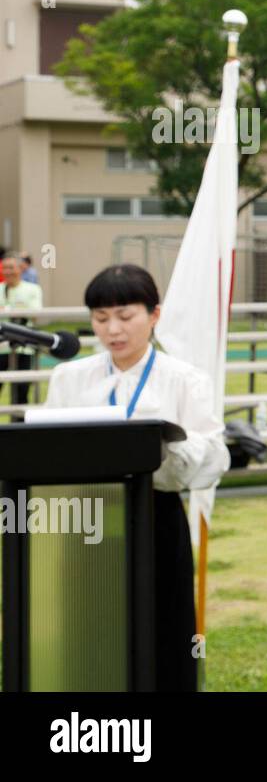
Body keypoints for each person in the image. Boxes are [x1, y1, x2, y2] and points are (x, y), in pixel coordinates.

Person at [44, 263, 230, 691]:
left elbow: (214, 456)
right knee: (89, 629)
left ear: (154, 315)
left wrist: (164, 445)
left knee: (164, 627)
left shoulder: (184, 379)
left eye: (125, 316)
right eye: (100, 318)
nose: (113, 330)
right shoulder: (69, 378)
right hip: (87, 521)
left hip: (156, 516)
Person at [1, 253, 43, 418]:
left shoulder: (32, 289)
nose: (8, 271)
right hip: (1, 347)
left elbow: (35, 315)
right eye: (5, 268)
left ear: (21, 268)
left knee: (21, 392)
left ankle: (17, 431)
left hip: (23, 347)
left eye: (11, 267)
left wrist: (9, 310)